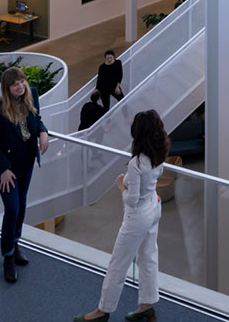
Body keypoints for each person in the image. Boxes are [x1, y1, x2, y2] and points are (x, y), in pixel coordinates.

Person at [75, 110, 169, 322]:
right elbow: (150, 180)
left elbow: (132, 200)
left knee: (118, 263)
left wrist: (120, 185)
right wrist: (129, 181)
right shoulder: (159, 154)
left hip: (138, 216)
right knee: (148, 258)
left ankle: (103, 310)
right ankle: (147, 305)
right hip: (154, 207)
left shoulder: (137, 163)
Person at [0, 66, 49, 283]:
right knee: (11, 208)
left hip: (26, 161)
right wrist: (3, 169)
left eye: (22, 81)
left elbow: (36, 119)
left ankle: (15, 242)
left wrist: (43, 131)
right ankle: (8, 256)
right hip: (6, 168)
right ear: (6, 88)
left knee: (21, 204)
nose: (20, 86)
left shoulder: (32, 96)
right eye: (14, 84)